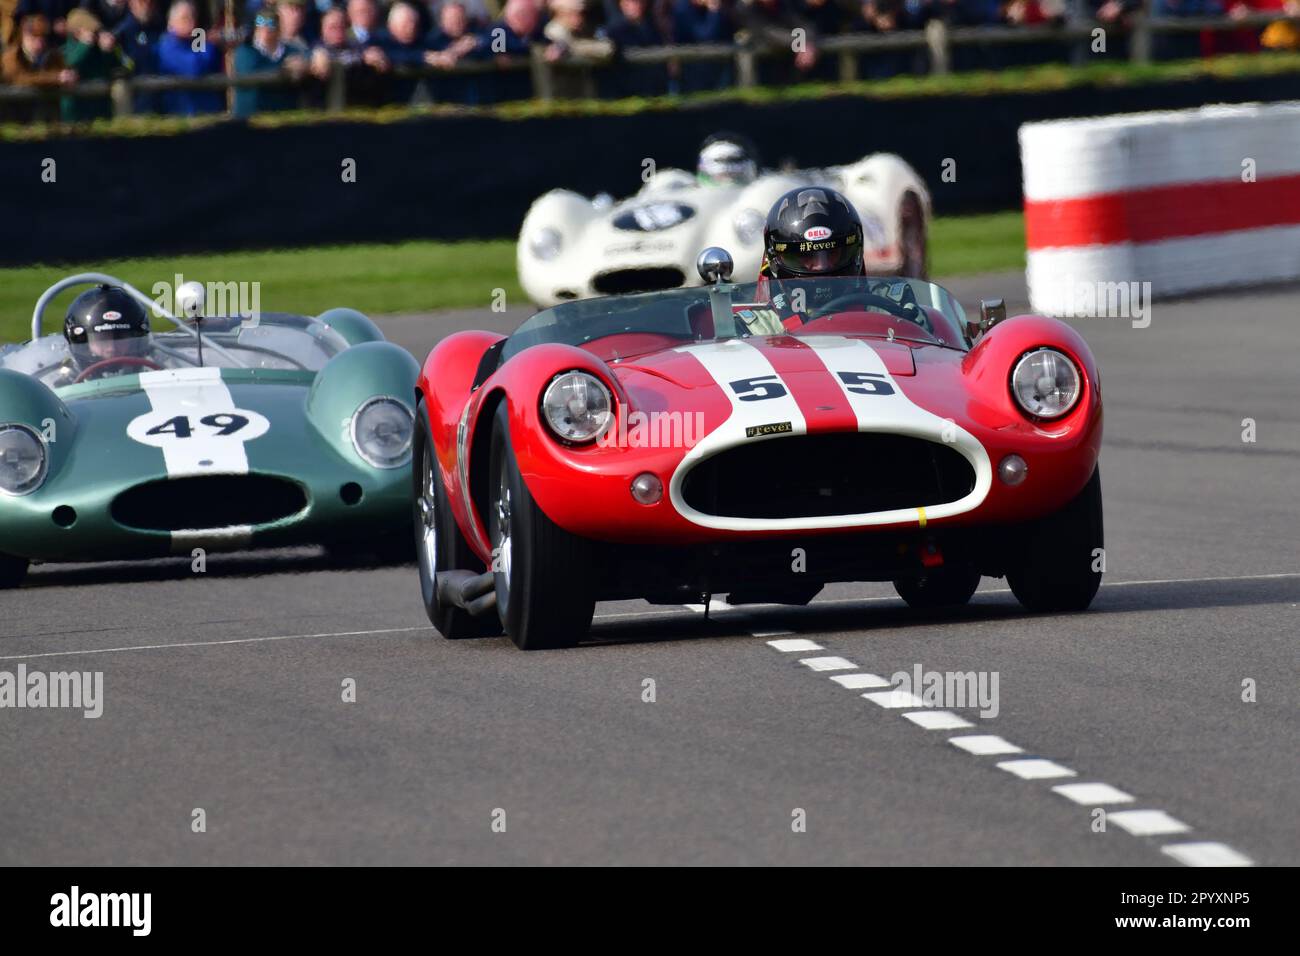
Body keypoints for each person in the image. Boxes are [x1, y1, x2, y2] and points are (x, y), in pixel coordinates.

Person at [61, 285, 157, 382]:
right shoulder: (64, 381)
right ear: (81, 340)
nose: (111, 348)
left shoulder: (158, 370)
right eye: (102, 339)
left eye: (120, 337)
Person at [61, 7, 134, 121]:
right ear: (76, 32)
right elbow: (70, 64)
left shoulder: (98, 50)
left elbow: (118, 66)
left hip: (101, 109)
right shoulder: (66, 50)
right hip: (77, 112)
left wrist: (108, 51)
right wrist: (84, 46)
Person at [1, 13, 75, 122]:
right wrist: (56, 78)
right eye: (34, 36)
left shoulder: (52, 55)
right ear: (24, 35)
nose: (39, 42)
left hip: (46, 118)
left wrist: (69, 76)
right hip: (14, 116)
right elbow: (20, 78)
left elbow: (64, 70)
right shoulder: (11, 56)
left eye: (42, 37)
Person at [233, 7, 307, 116]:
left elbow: (306, 57)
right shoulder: (245, 51)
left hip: (284, 119)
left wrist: (308, 63)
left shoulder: (291, 51)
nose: (265, 30)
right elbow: (250, 72)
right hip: (251, 122)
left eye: (270, 25)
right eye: (261, 25)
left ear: (278, 29)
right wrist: (285, 70)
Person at [154, 0, 223, 114]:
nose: (191, 23)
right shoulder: (167, 45)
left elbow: (212, 63)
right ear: (171, 22)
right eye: (185, 18)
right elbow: (194, 68)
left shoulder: (194, 41)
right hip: (181, 113)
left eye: (192, 17)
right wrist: (205, 40)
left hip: (208, 111)